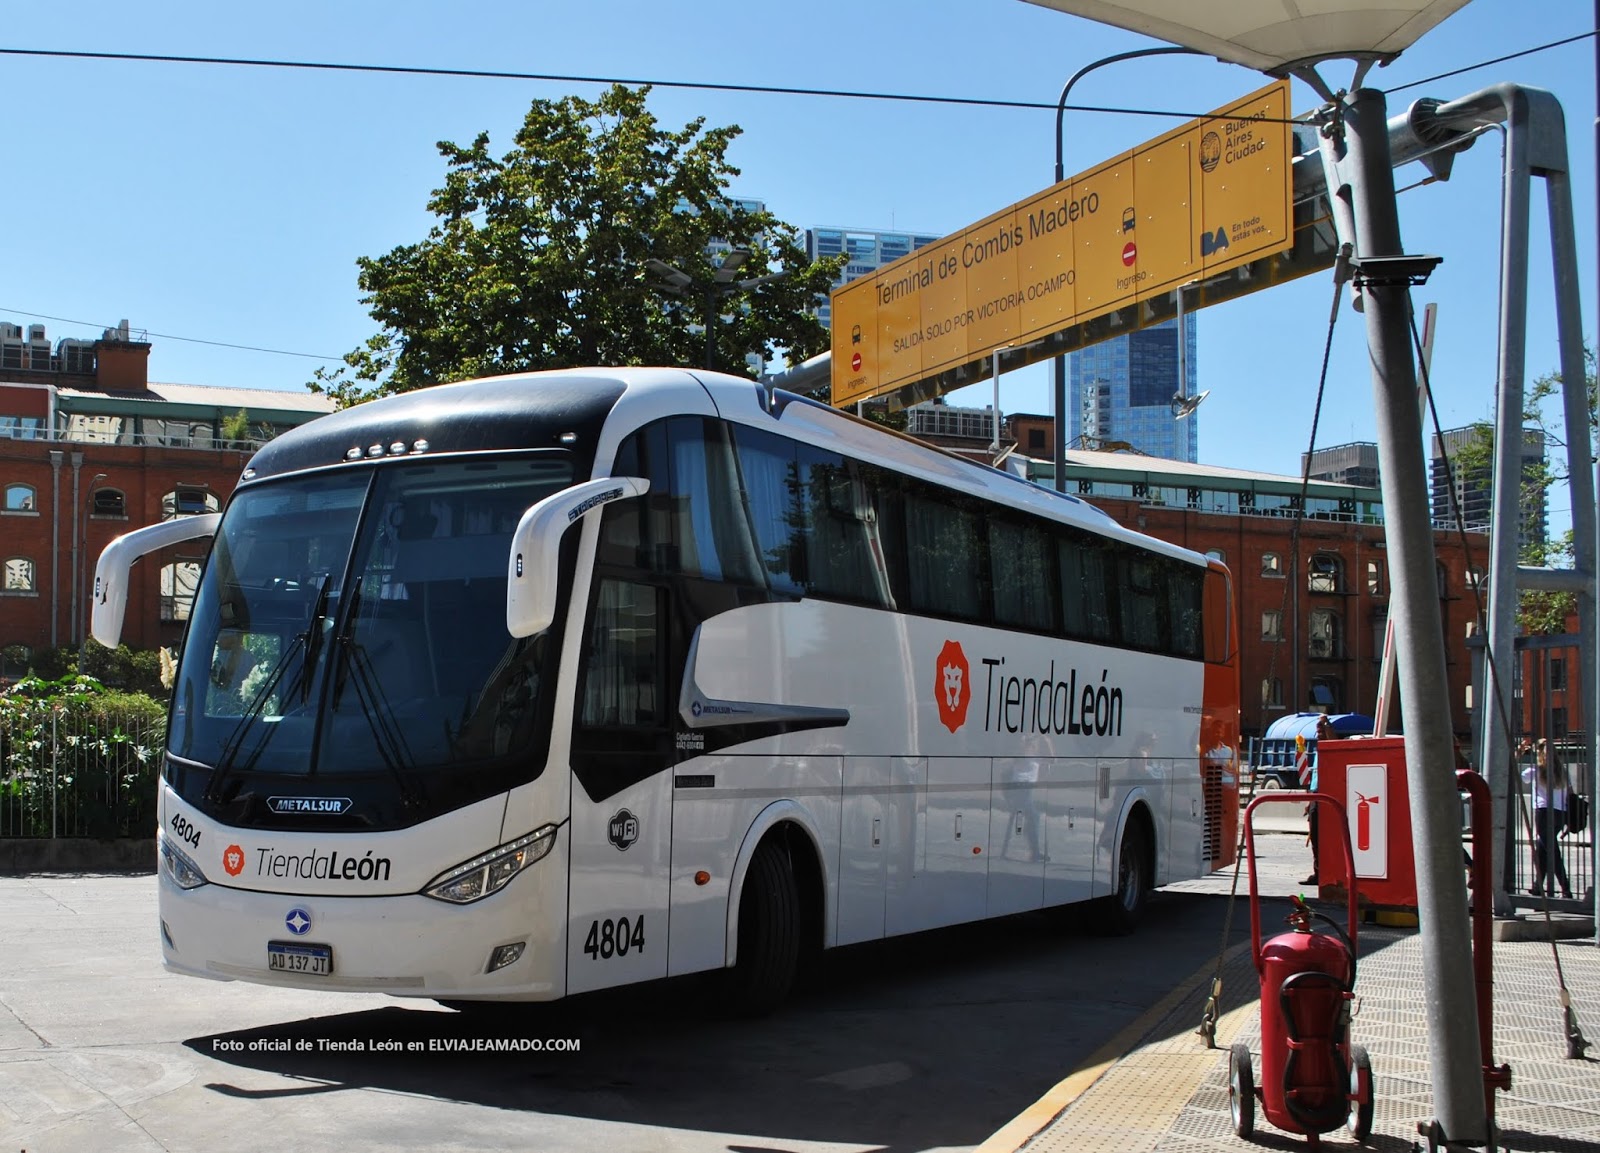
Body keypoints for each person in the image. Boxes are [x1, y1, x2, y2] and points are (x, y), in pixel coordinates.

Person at [1519, 737, 1573, 899]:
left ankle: (1565, 888)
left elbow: (1512, 771)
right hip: (1560, 813)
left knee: (1550, 849)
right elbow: (1570, 794)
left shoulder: (1535, 770)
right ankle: (1538, 887)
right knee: (1543, 848)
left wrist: (1520, 750)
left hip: (1543, 812)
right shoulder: (1563, 771)